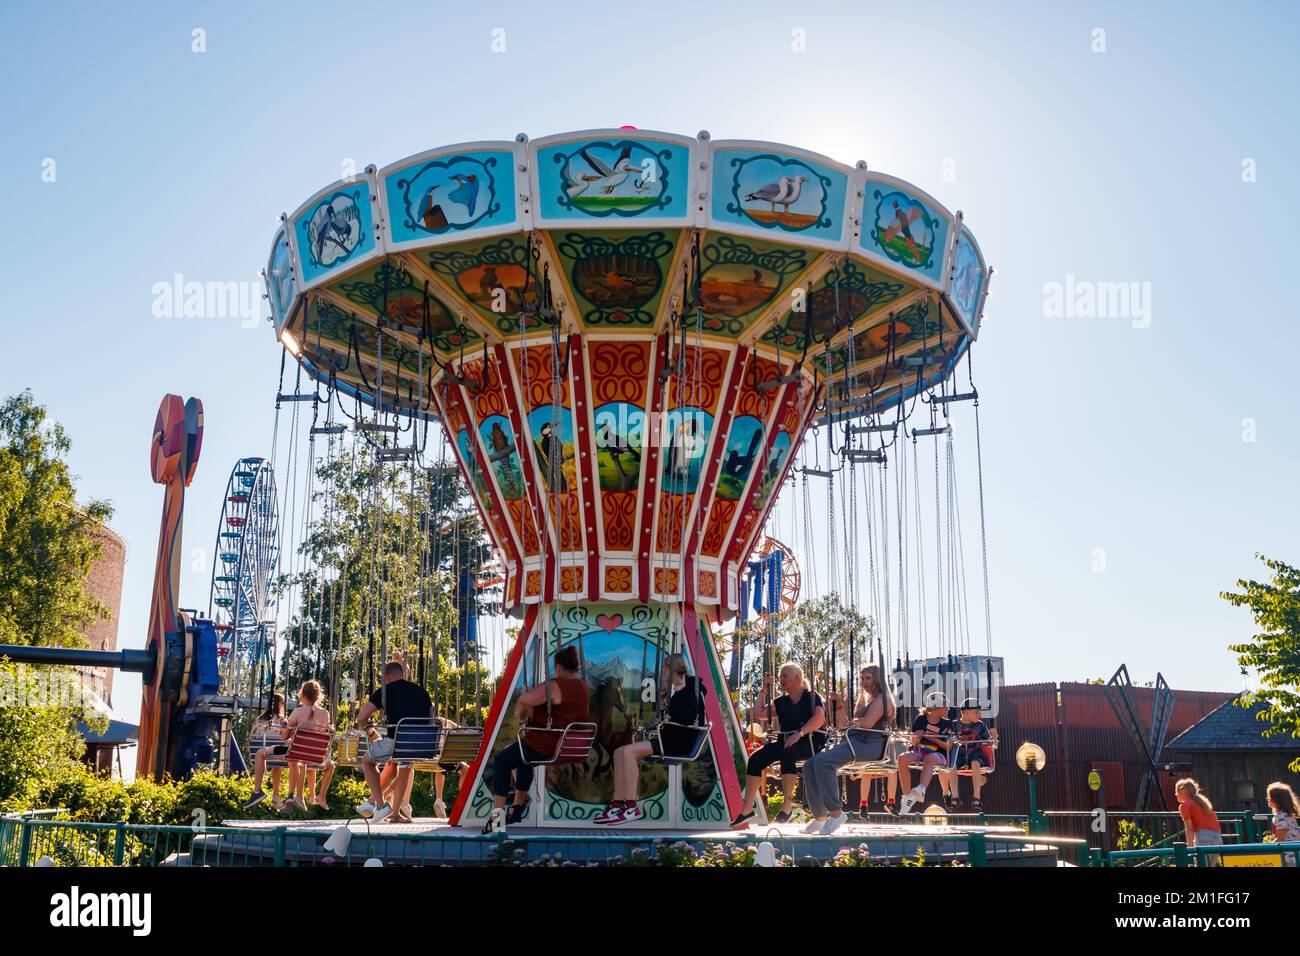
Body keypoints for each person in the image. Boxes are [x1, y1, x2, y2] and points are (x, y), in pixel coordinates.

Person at [485, 644, 589, 833]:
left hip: (548, 743)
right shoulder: (583, 686)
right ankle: (517, 808)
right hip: (569, 745)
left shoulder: (556, 685)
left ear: (558, 667)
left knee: (502, 761)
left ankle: (496, 817)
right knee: (522, 759)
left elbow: (524, 699)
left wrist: (521, 714)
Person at [594, 653, 707, 825]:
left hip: (678, 743)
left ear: (670, 669)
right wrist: (663, 703)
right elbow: (672, 717)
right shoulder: (681, 690)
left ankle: (631, 805)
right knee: (618, 752)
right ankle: (617, 804)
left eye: (664, 668)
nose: (662, 671)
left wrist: (671, 702)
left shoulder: (690, 690)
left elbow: (685, 718)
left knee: (629, 752)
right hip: (671, 738)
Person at [800, 664, 896, 834]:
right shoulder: (865, 700)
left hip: (870, 745)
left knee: (823, 762)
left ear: (877, 679)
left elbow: (866, 723)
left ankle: (836, 814)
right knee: (809, 765)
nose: (864, 682)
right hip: (853, 741)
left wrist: (855, 723)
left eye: (868, 678)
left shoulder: (882, 699)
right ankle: (820, 817)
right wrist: (839, 705)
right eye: (862, 678)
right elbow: (845, 725)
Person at [731, 662, 826, 828]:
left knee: (787, 753)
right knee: (756, 759)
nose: (781, 679)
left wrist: (800, 733)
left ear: (797, 677)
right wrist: (764, 689)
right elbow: (758, 713)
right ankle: (747, 810)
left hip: (810, 741)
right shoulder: (781, 702)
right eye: (780, 676)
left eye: (785, 675)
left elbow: (819, 719)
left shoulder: (811, 697)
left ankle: (787, 806)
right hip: (786, 741)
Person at [355, 661, 434, 824]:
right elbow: (431, 718)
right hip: (420, 745)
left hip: (396, 742)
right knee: (402, 765)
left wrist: (370, 732)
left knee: (367, 760)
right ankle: (395, 813)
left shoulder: (385, 691)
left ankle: (380, 804)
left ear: (388, 676)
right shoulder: (422, 692)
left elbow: (361, 717)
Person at [897, 693, 957, 814]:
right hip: (920, 751)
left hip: (938, 754)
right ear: (937, 707)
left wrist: (933, 738)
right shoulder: (920, 719)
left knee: (930, 758)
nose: (948, 709)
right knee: (902, 759)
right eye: (946, 706)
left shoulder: (947, 724)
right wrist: (917, 735)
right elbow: (914, 743)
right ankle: (907, 796)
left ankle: (921, 788)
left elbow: (948, 746)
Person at [940, 697, 994, 812]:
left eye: (979, 713)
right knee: (952, 765)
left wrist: (993, 738)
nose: (979, 715)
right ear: (965, 712)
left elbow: (988, 740)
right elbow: (948, 739)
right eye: (976, 712)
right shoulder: (954, 725)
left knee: (975, 763)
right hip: (959, 755)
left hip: (975, 754)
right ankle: (955, 797)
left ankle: (977, 798)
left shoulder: (980, 725)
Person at [242, 693, 288, 810]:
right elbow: (285, 737)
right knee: (278, 760)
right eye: (283, 703)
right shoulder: (283, 721)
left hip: (259, 754)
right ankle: (276, 794)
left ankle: (260, 790)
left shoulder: (260, 719)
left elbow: (252, 737)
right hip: (276, 754)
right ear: (280, 704)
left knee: (268, 753)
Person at [1175, 777, 1222, 863]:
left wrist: (1190, 848)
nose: (1175, 794)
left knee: (1201, 864)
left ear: (1181, 791)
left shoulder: (1185, 806)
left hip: (1204, 838)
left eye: (1176, 792)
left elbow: (1189, 828)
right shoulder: (1203, 802)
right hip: (1217, 838)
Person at [1266, 781, 1300, 866]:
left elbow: (1281, 838)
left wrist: (1268, 846)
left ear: (1276, 800)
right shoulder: (1289, 815)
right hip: (1295, 852)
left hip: (1287, 855)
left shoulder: (1280, 816)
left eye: (1270, 797)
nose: (1268, 799)